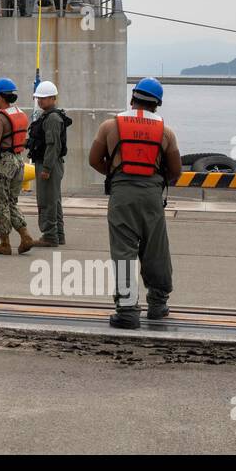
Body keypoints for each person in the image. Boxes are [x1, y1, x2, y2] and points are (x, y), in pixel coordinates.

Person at [88, 78, 182, 328]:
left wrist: (116, 173)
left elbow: (94, 159)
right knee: (156, 249)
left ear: (132, 98)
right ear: (157, 105)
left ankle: (128, 310)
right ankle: (158, 304)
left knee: (124, 252)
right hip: (151, 196)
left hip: (121, 195)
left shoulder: (110, 126)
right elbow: (175, 171)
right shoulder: (166, 131)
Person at [0, 77, 37, 255]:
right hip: (18, 161)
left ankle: (4, 243)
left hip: (3, 163)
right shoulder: (19, 113)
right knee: (11, 202)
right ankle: (25, 235)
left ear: (0, 97)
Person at [27, 80, 71, 247]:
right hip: (50, 163)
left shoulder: (52, 118)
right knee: (54, 200)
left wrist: (46, 168)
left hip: (48, 164)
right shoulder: (49, 116)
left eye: (43, 98)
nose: (40, 101)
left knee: (47, 200)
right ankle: (58, 234)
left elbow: (53, 146)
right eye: (39, 98)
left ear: (53, 99)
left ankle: (50, 235)